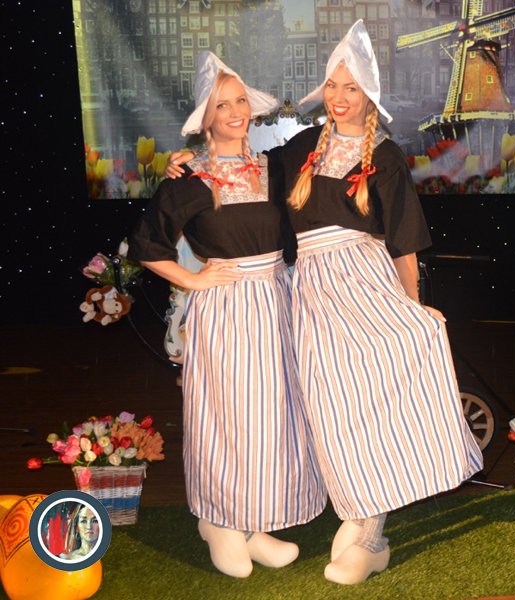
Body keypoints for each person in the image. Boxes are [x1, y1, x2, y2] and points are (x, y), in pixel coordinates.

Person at [280, 20, 482, 585]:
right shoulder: (299, 148)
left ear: (368, 94)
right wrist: (191, 163)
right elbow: (243, 177)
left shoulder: (385, 156)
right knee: (332, 405)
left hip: (366, 283)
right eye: (333, 86)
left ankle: (368, 529)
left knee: (377, 391)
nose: (340, 98)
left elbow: (403, 242)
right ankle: (359, 512)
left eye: (352, 88)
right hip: (313, 290)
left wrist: (413, 304)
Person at [130, 51, 321, 578]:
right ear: (206, 117)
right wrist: (194, 280)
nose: (235, 112)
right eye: (222, 105)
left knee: (272, 418)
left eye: (240, 101)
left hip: (277, 303)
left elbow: (327, 144)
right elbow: (146, 245)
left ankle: (252, 524)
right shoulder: (189, 178)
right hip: (227, 310)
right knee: (228, 418)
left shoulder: (274, 167)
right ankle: (218, 521)